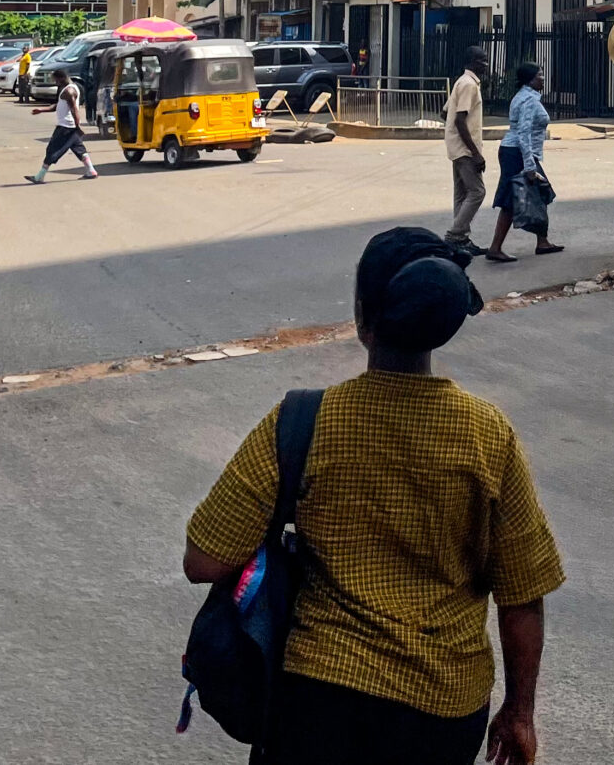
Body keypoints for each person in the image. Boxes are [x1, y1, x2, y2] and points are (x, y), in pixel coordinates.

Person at [184, 227, 563, 765]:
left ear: (363, 319)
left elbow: (203, 561)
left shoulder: (304, 422)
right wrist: (520, 713)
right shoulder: (487, 435)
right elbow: (523, 593)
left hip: (316, 700)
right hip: (443, 714)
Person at [482, 64, 562, 265]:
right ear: (530, 79)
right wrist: (529, 167)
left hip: (519, 152)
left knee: (541, 193)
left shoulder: (526, 96)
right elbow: (523, 134)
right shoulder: (528, 100)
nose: (543, 78)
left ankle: (542, 241)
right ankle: (495, 247)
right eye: (540, 76)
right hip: (518, 153)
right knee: (512, 198)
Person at [443, 47, 489, 255]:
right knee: (478, 191)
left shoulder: (461, 82)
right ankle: (455, 235)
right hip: (465, 149)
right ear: (473, 62)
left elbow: (445, 113)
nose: (486, 65)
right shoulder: (469, 85)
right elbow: (460, 119)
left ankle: (461, 239)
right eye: (483, 61)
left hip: (456, 146)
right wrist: (475, 153)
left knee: (462, 194)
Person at [27, 69, 98, 183]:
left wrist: (77, 125)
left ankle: (40, 176)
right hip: (70, 127)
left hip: (66, 127)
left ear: (61, 78)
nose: (55, 83)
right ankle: (91, 171)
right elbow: (58, 105)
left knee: (52, 150)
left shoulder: (68, 91)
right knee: (79, 148)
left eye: (56, 80)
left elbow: (74, 109)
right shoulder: (68, 89)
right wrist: (42, 110)